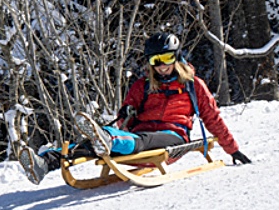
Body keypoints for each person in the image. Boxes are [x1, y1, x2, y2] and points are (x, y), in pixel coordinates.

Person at [19, 32, 250, 184]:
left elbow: (212, 118)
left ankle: (109, 141)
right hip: (138, 133)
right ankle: (47, 162)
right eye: (155, 61)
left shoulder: (192, 86)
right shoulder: (143, 86)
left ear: (176, 58)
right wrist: (126, 113)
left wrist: (233, 149)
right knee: (107, 137)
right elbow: (124, 118)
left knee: (138, 141)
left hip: (173, 137)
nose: (161, 67)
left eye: (166, 59)